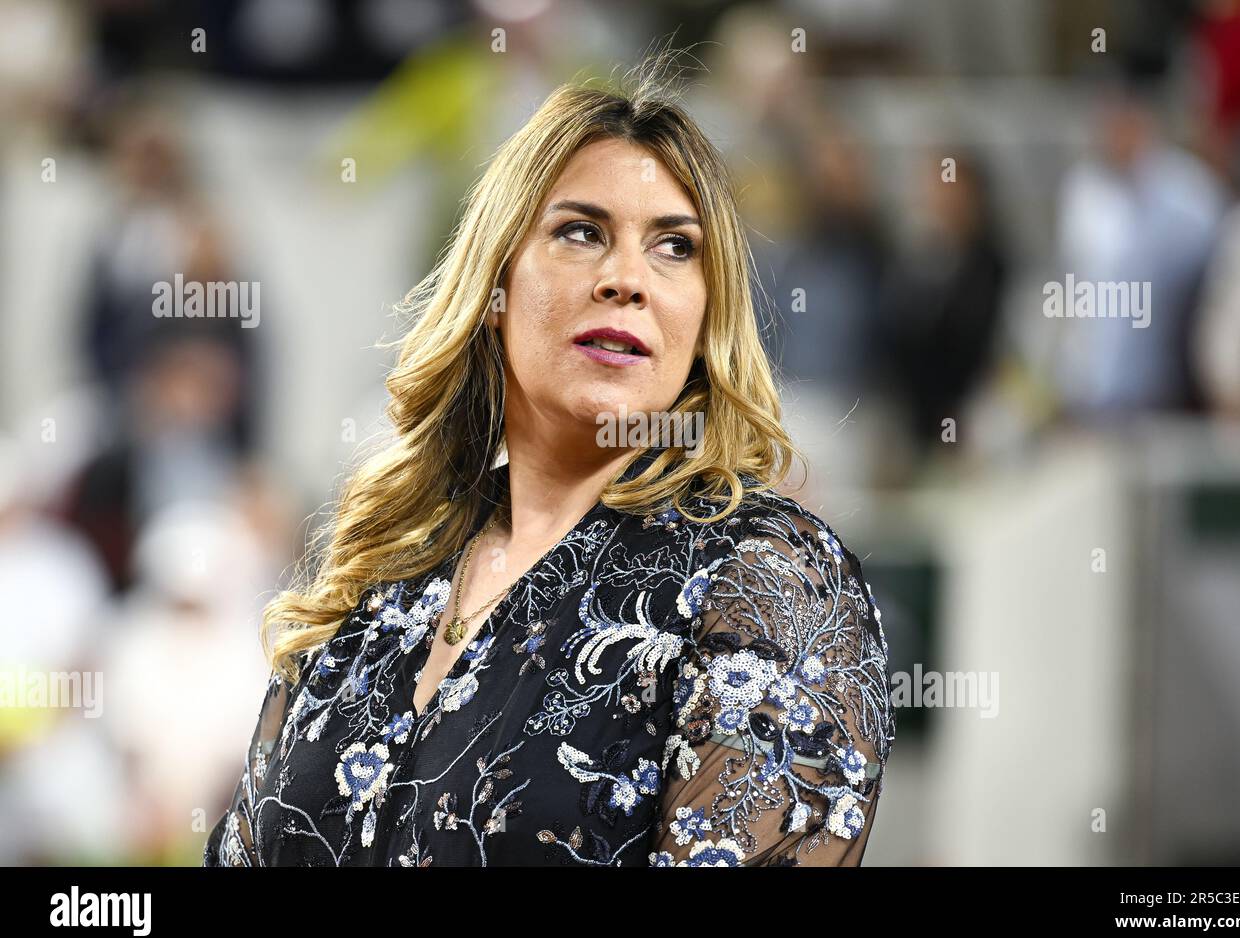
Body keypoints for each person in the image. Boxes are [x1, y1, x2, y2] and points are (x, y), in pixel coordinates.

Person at [204, 59, 895, 867]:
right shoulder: (383, 572)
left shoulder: (765, 579)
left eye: (675, 247)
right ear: (494, 285)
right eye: (581, 232)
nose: (628, 279)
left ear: (706, 320)